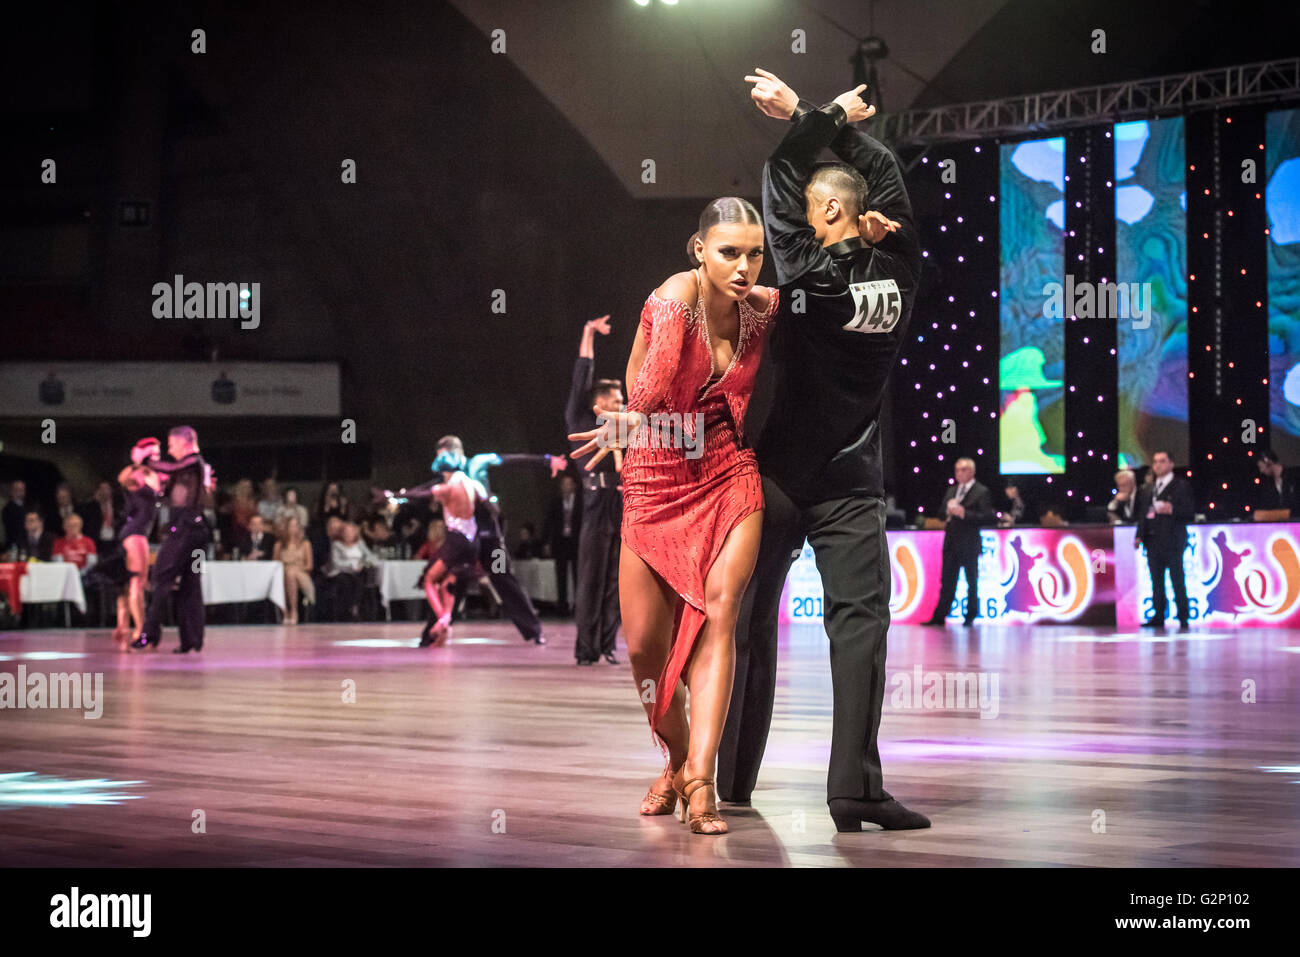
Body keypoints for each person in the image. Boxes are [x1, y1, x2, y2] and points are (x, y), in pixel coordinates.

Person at [717, 71, 929, 832]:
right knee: (861, 629)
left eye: (811, 206)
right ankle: (854, 790)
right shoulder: (906, 265)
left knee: (748, 625)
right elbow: (884, 172)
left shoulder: (804, 270)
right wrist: (835, 126)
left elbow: (781, 168)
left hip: (776, 474)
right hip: (852, 476)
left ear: (827, 211)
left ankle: (731, 782)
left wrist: (819, 113)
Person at [569, 193, 779, 835]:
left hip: (727, 473)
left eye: (755, 255)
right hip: (655, 477)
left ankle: (702, 780)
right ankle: (679, 760)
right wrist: (634, 419)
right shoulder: (674, 297)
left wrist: (868, 244)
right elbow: (656, 385)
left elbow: (826, 301)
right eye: (730, 253)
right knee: (645, 653)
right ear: (699, 250)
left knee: (721, 615)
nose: (744, 268)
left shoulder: (762, 306)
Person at [565, 314, 625, 664]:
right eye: (616, 400)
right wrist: (588, 332)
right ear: (600, 400)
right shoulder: (581, 418)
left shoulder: (624, 427)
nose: (622, 404)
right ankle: (587, 649)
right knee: (591, 579)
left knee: (617, 579)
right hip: (595, 504)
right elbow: (581, 376)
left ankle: (607, 645)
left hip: (622, 503)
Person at [387, 449, 493, 647]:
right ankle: (444, 625)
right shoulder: (473, 484)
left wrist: (392, 495)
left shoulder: (449, 487)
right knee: (448, 583)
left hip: (456, 541)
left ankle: (444, 619)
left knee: (429, 579)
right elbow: (490, 507)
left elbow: (421, 494)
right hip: (473, 542)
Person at [132, 426, 214, 653]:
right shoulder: (185, 470)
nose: (169, 450)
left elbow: (171, 468)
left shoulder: (193, 462)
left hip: (187, 532)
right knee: (189, 582)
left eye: (172, 444)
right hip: (194, 532)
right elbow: (164, 492)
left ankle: (150, 635)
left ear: (185, 442)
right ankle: (191, 640)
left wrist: (147, 460)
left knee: (163, 576)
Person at [922, 458, 994, 626]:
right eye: (957, 470)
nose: (959, 473)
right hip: (951, 542)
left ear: (971, 471)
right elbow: (940, 514)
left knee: (971, 581)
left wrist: (963, 513)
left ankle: (970, 615)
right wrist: (947, 511)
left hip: (969, 542)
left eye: (963, 469)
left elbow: (987, 517)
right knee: (947, 580)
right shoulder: (952, 491)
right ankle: (940, 616)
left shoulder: (981, 491)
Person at [1134, 450, 1194, 628]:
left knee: (1177, 578)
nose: (1158, 465)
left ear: (1171, 464)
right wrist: (1139, 535)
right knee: (1156, 580)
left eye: (1162, 461)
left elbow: (1189, 512)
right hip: (1153, 540)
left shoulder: (1181, 486)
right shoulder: (1149, 489)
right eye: (1155, 462)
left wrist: (1172, 509)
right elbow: (1143, 514)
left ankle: (1183, 615)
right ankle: (1158, 614)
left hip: (1173, 539)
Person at [113, 438, 161, 649]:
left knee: (128, 585)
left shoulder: (147, 474)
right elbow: (124, 479)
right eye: (154, 453)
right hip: (136, 535)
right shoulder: (138, 474)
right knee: (137, 583)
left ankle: (123, 628)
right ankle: (140, 631)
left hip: (132, 534)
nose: (157, 457)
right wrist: (138, 465)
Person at [543, 473, 581, 615]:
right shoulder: (556, 502)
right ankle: (562, 605)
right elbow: (549, 522)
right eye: (564, 484)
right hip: (560, 541)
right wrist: (546, 542)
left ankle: (579, 605)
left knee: (578, 573)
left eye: (569, 484)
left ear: (574, 486)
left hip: (575, 541)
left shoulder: (580, 502)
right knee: (561, 574)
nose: (566, 487)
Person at [326, 521, 376, 621]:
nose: (348, 534)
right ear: (342, 533)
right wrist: (351, 566)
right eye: (346, 532)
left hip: (358, 571)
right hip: (341, 572)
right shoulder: (337, 545)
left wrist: (362, 563)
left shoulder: (360, 544)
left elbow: (371, 557)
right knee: (346, 581)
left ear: (355, 533)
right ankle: (350, 609)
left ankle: (355, 607)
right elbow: (336, 563)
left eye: (351, 532)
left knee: (362, 577)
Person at [274, 516, 314, 625]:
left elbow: (309, 566)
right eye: (290, 526)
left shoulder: (305, 544)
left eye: (295, 526)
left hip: (301, 574)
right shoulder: (279, 545)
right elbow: (275, 565)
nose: (292, 528)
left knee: (291, 574)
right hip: (283, 574)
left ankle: (292, 611)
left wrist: (295, 568)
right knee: (288, 575)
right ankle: (287, 612)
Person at [1255, 449, 1299, 515]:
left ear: (1268, 461)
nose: (1261, 471)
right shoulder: (1268, 485)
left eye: (1261, 467)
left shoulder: (1294, 476)